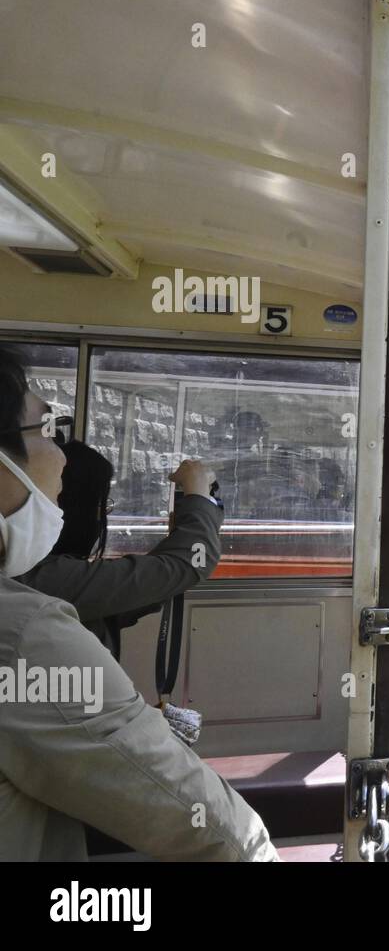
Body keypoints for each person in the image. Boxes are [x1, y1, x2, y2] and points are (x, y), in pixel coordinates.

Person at [0, 346, 277, 861]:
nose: (59, 454)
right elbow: (201, 821)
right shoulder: (27, 621)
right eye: (45, 430)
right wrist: (200, 501)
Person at [19, 441, 222, 661]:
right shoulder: (46, 578)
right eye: (100, 505)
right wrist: (198, 500)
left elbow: (134, 588)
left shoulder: (40, 575)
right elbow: (192, 561)